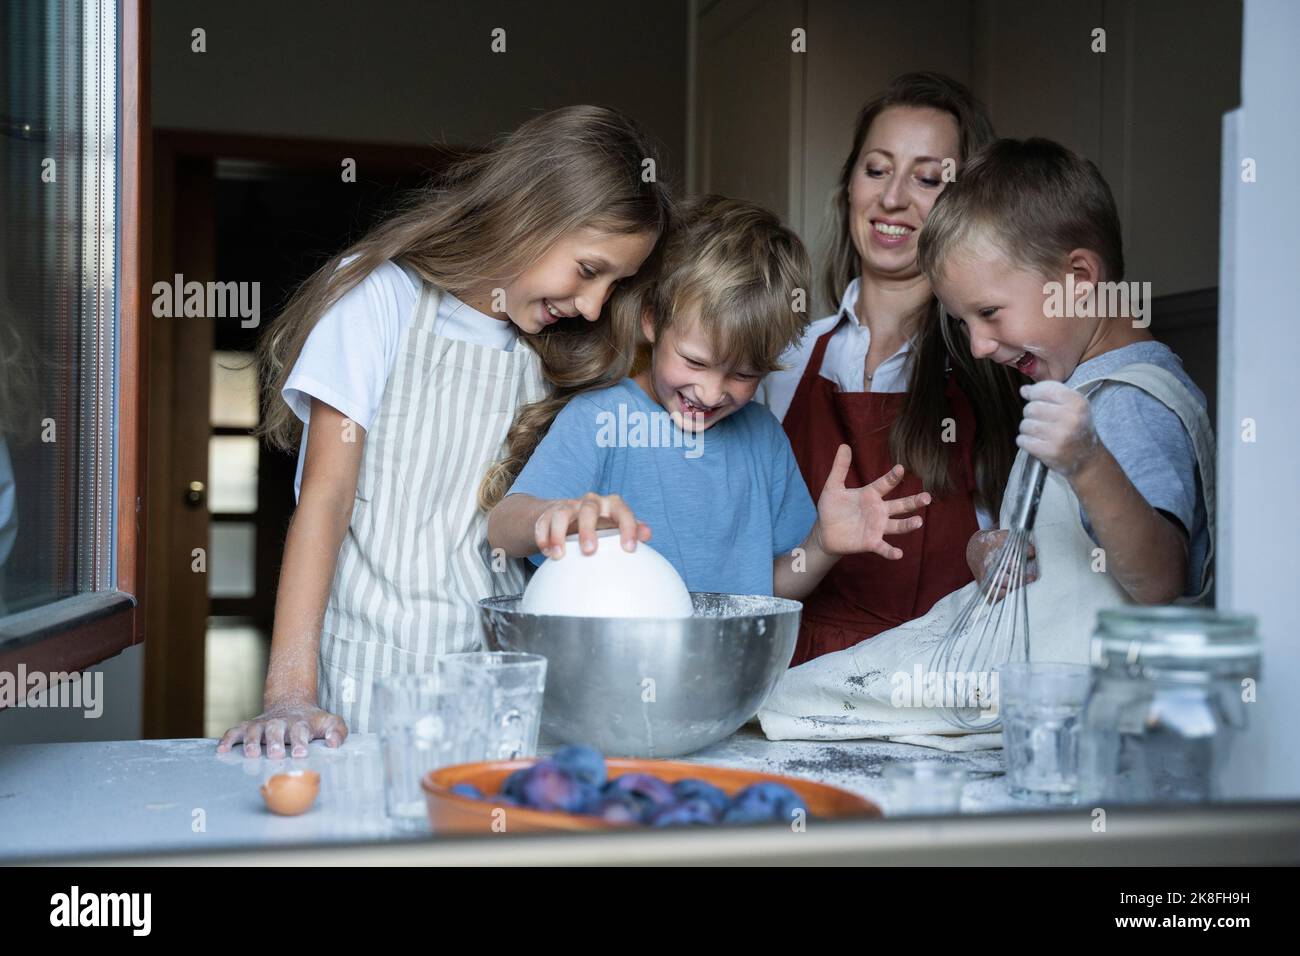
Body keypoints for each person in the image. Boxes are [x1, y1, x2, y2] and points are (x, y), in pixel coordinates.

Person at [218, 106, 672, 757]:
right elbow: (327, 498)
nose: (596, 306)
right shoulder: (379, 301)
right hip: (370, 680)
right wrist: (290, 694)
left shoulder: (542, 355)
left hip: (501, 687)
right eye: (589, 269)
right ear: (530, 213)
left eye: (616, 285)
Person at [486, 195, 931, 601]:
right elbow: (503, 528)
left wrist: (821, 545)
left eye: (743, 374)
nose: (711, 392)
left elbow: (767, 590)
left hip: (725, 679)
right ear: (651, 321)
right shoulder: (599, 418)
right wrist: (553, 513)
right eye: (695, 362)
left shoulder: (764, 438)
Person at [757, 73, 1023, 665]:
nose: (894, 197)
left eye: (928, 178)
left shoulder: (997, 364)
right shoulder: (785, 356)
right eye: (876, 169)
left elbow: (1034, 543)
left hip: (938, 682)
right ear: (849, 184)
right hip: (792, 680)